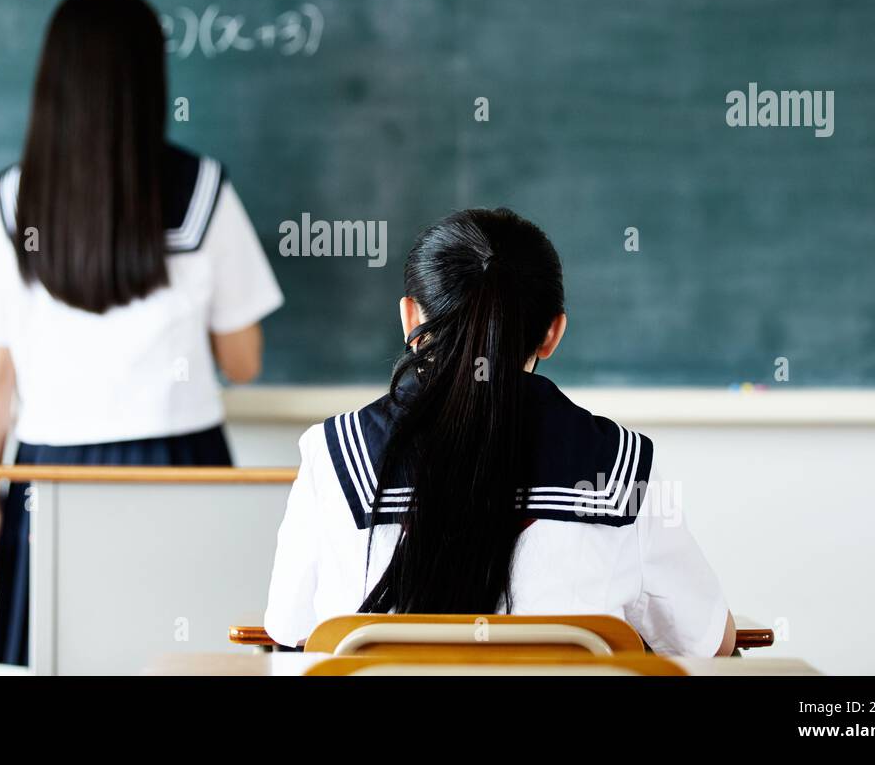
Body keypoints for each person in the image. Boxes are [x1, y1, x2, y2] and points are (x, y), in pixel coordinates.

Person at [0, 0, 284, 665]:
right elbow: (244, 363)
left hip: (47, 477)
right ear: (150, 79)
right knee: (184, 662)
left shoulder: (8, 204)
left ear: (52, 80)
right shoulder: (204, 191)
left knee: (68, 661)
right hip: (183, 468)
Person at [264, 207, 733, 655]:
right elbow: (708, 641)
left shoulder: (335, 454)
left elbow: (290, 631)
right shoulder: (619, 468)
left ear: (410, 318)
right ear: (553, 333)